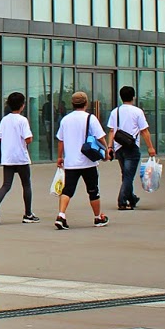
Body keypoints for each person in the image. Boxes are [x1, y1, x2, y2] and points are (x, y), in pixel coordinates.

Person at [54, 91, 109, 229]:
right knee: (93, 190)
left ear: (72, 104)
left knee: (67, 190)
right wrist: (106, 151)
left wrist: (60, 157)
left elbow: (60, 140)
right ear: (86, 103)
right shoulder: (90, 118)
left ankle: (61, 215)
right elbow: (100, 137)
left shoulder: (65, 119)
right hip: (88, 162)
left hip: (71, 162)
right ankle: (97, 217)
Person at [0, 91, 38, 224]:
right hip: (21, 157)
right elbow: (28, 139)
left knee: (6, 185)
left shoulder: (5, 120)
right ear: (22, 105)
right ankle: (28, 214)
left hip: (8, 158)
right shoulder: (22, 120)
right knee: (26, 184)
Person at [107, 86, 157, 211]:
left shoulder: (115, 112)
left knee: (125, 174)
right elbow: (144, 131)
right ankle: (122, 201)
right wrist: (150, 147)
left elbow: (111, 131)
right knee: (128, 175)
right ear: (133, 97)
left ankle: (132, 198)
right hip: (132, 147)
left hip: (119, 147)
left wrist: (110, 147)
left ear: (121, 97)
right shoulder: (137, 112)